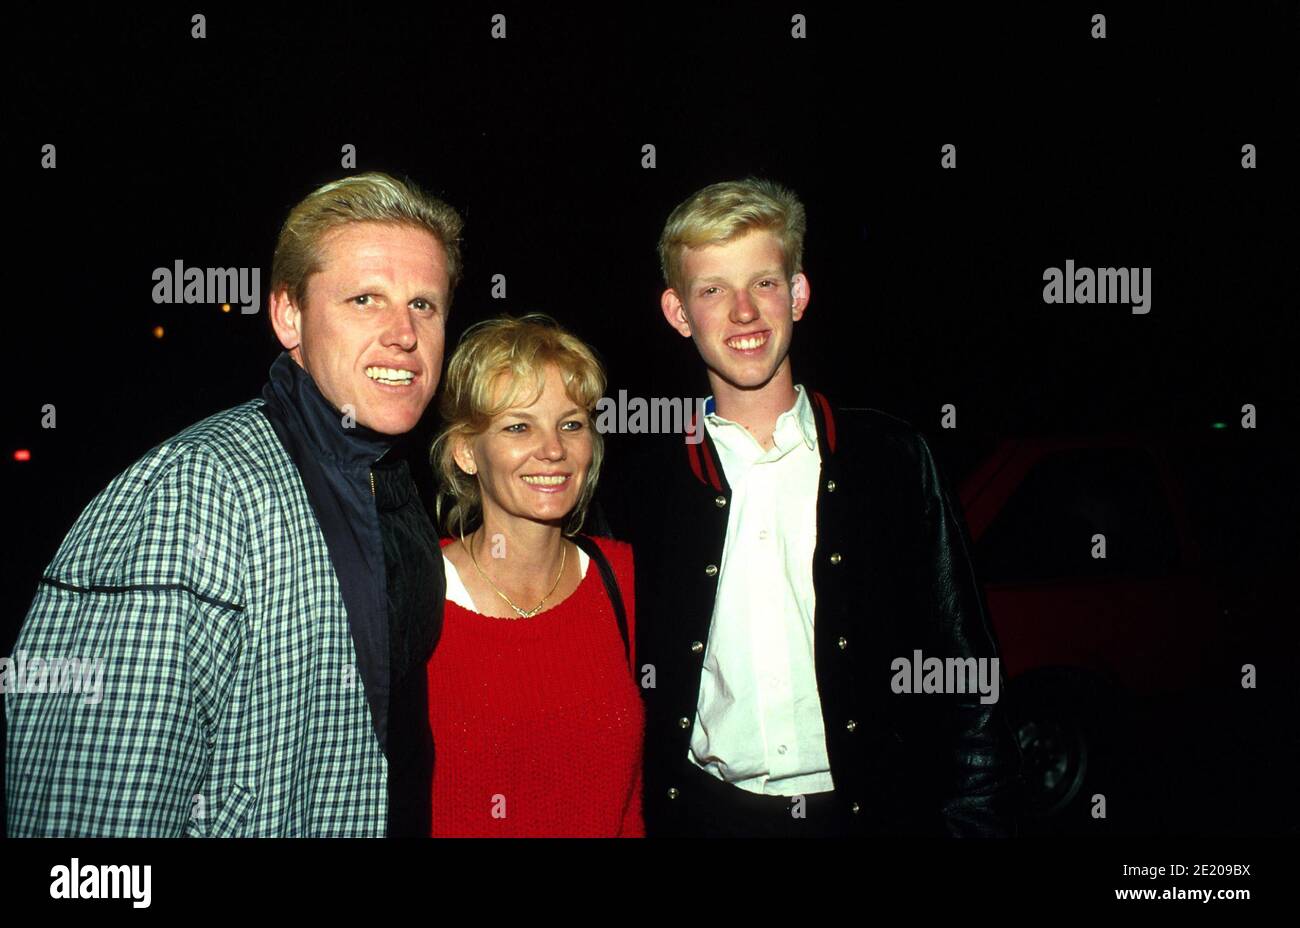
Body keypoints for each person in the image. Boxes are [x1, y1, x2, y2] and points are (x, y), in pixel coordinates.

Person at [5, 172, 458, 836]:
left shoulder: (386, 483)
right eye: (365, 299)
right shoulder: (192, 496)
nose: (402, 333)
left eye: (424, 304)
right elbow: (93, 826)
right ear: (288, 316)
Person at [607, 178, 1022, 837]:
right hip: (705, 818)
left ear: (797, 295)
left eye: (764, 283)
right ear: (679, 313)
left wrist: (974, 821)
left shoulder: (891, 458)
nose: (743, 311)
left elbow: (964, 668)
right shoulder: (640, 488)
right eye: (712, 289)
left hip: (869, 818)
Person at [426, 314, 643, 837]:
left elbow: (634, 803)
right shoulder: (414, 589)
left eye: (571, 424)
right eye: (519, 426)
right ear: (465, 452)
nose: (553, 449)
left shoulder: (625, 577)